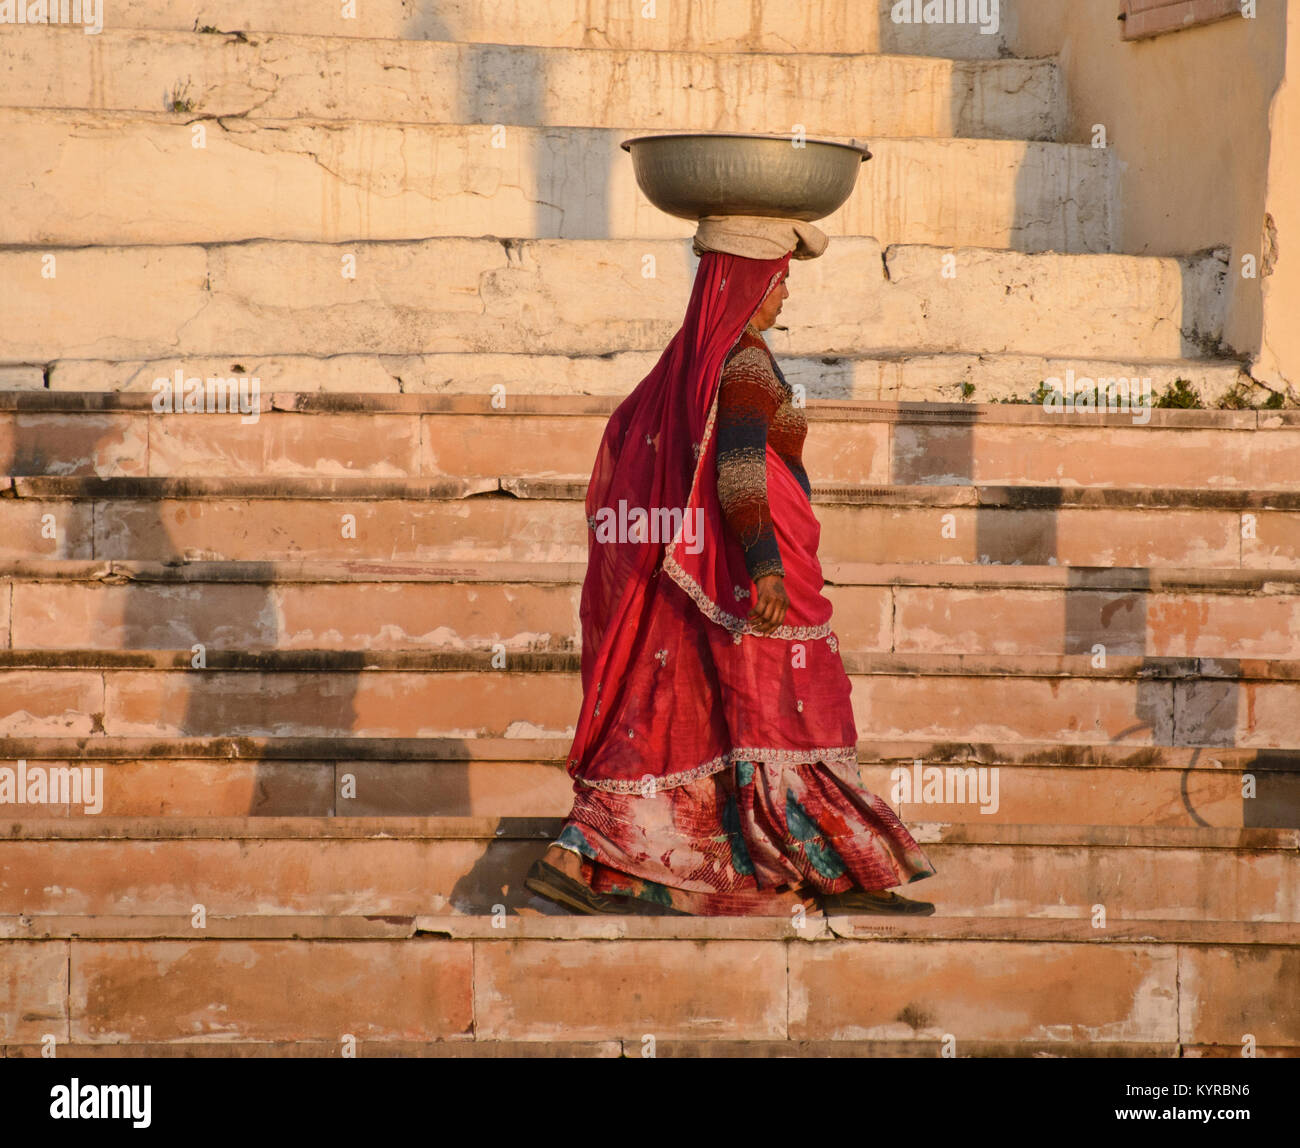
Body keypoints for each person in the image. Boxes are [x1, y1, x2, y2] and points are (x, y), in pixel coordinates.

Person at [525, 227, 936, 915]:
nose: (784, 289)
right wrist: (766, 569)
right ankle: (840, 873)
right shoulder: (745, 362)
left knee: (675, 720)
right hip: (753, 583)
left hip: (714, 580)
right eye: (776, 277)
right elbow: (740, 470)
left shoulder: (696, 362)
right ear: (746, 284)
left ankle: (580, 855)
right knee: (795, 718)